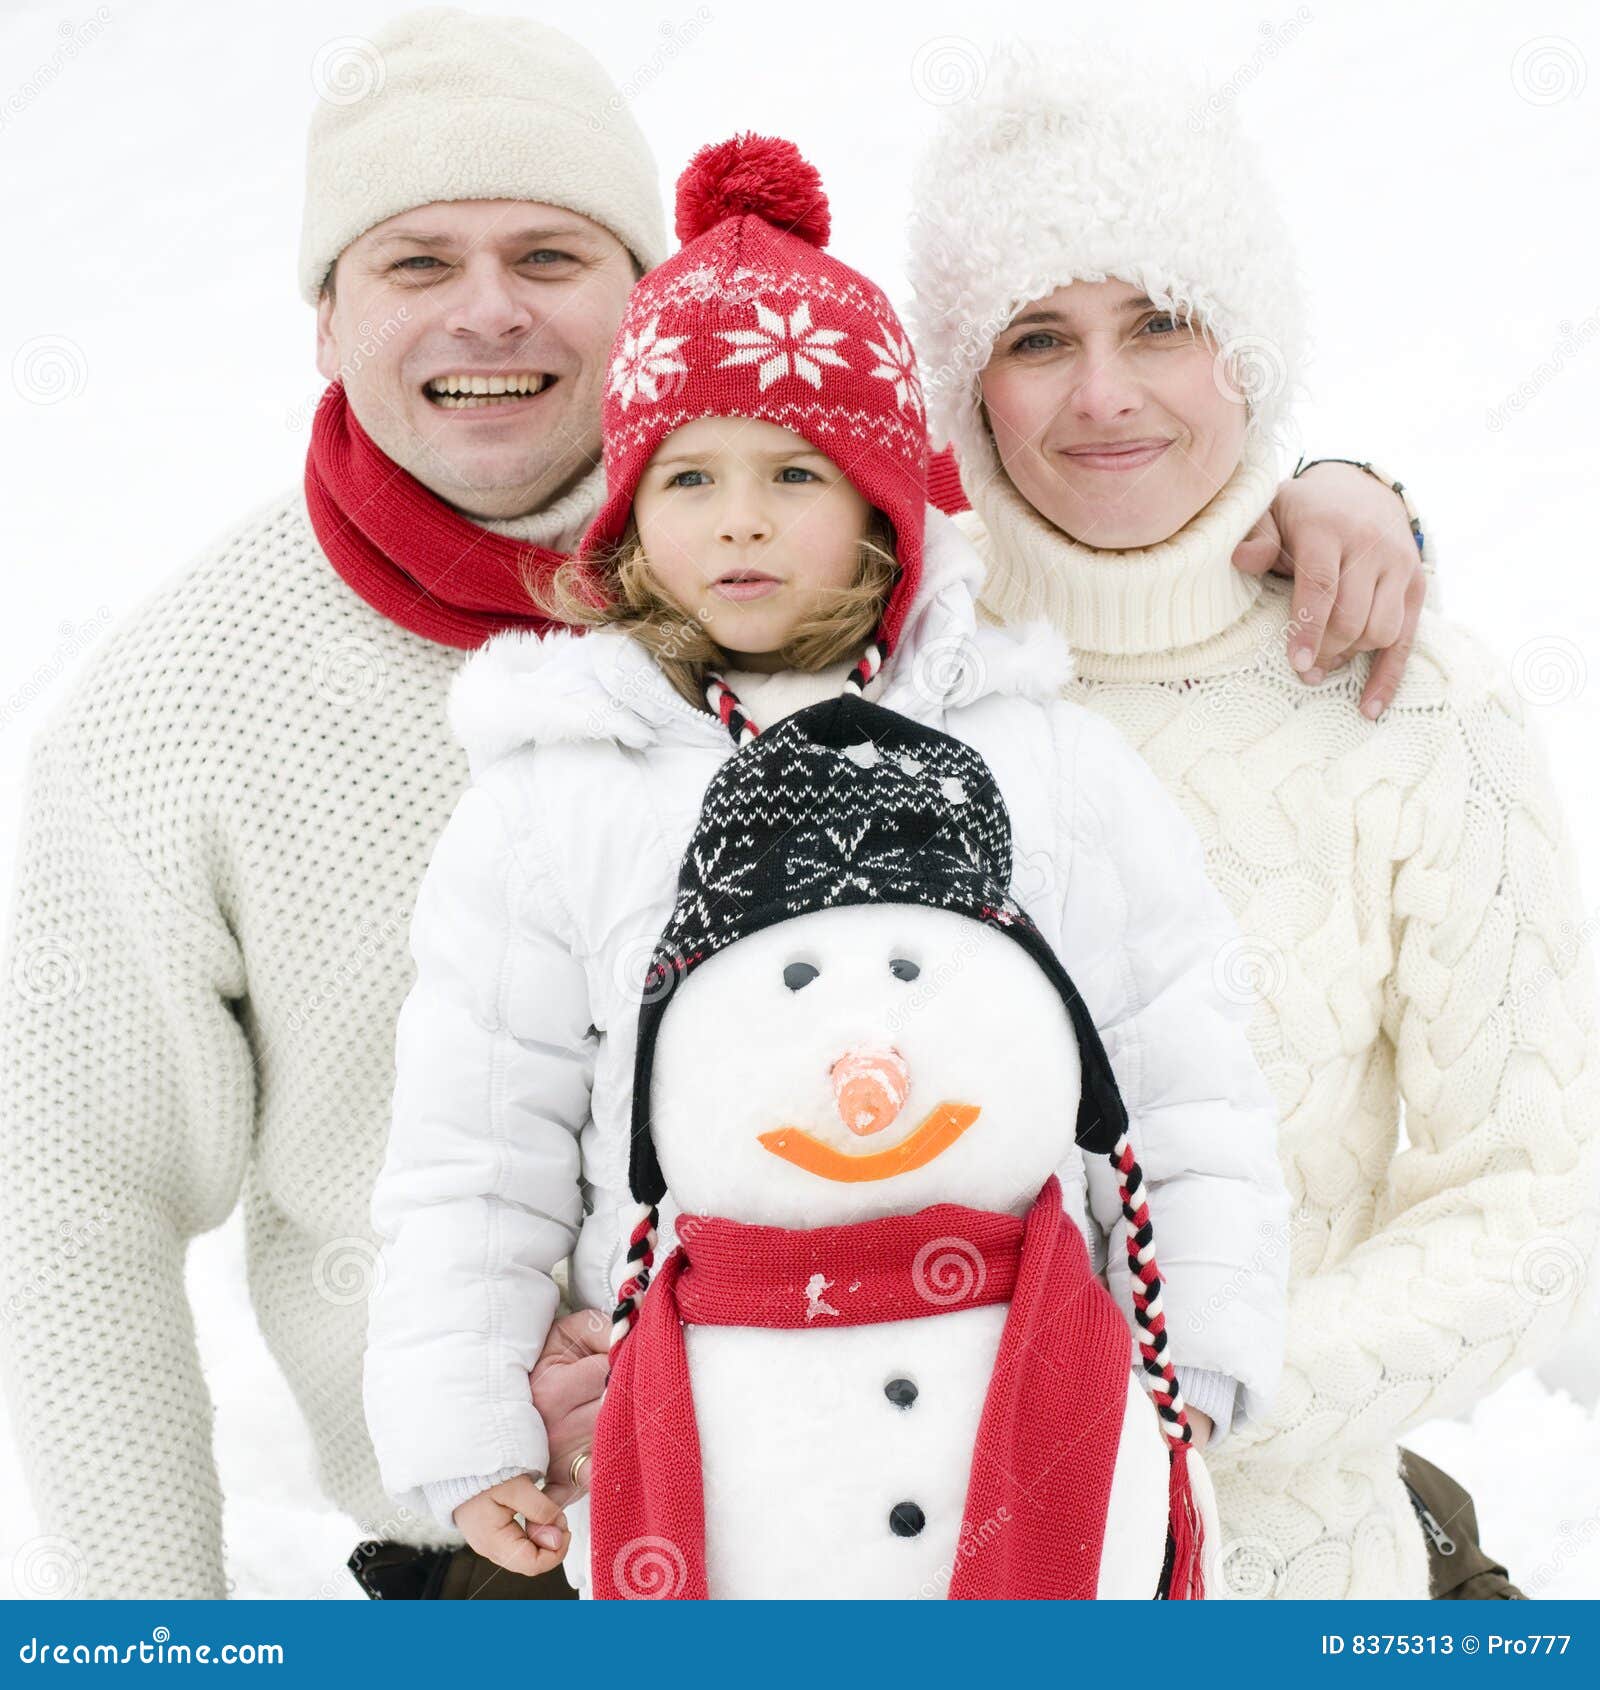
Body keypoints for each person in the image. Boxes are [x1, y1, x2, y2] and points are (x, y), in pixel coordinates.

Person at [0, 8, 1433, 1600]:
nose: (489, 310)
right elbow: (100, 1194)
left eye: (549, 253)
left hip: (1008, 1442)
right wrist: (164, 1619)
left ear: (641, 295)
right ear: (323, 319)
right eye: (415, 263)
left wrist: (1337, 494)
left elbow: (1133, 495)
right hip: (555, 1525)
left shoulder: (939, 624)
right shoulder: (204, 720)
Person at [363, 132, 1292, 1589]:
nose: (738, 518)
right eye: (689, 477)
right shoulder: (557, 798)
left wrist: (1202, 1359)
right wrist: (465, 1420)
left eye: (794, 470)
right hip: (711, 1418)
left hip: (1025, 1397)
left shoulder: (1042, 761)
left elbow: (1181, 1078)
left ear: (878, 501)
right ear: (625, 513)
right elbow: (477, 1144)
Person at [901, 41, 1600, 1598]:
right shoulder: (887, 682)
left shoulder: (1419, 700)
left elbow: (1530, 1200)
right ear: (968, 383)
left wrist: (1202, 1379)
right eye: (1035, 336)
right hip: (897, 1552)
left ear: (1252, 349)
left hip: (1291, 1573)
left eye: (1163, 319)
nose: (1104, 393)